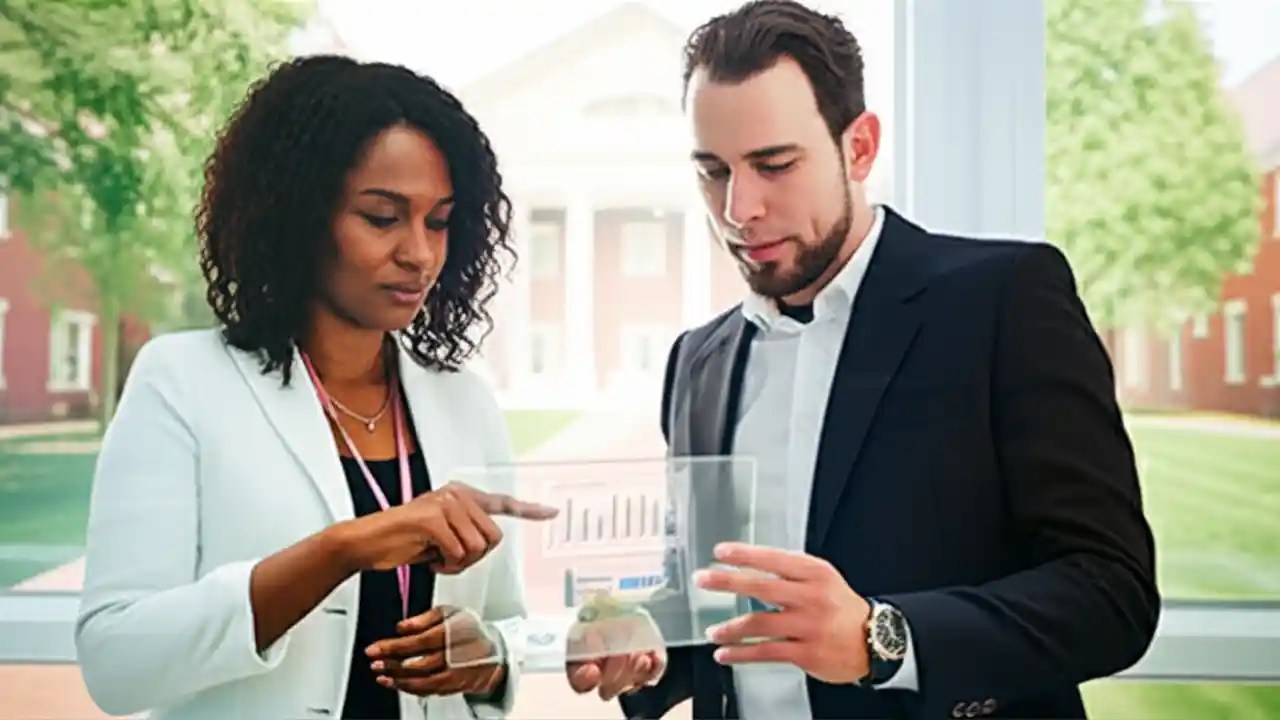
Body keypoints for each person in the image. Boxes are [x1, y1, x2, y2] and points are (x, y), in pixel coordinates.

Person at [569, 2, 1161, 718]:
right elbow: (706, 597)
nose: (738, 208)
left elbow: (1112, 592)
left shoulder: (1004, 302)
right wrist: (646, 641)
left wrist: (885, 639)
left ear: (860, 147)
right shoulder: (697, 361)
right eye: (713, 171)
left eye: (774, 164)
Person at [74, 55, 557, 720]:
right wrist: (340, 550)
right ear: (298, 216)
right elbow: (117, 663)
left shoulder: (464, 401)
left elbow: (505, 623)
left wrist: (489, 658)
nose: (419, 253)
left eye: (439, 221)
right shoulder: (182, 384)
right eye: (383, 217)